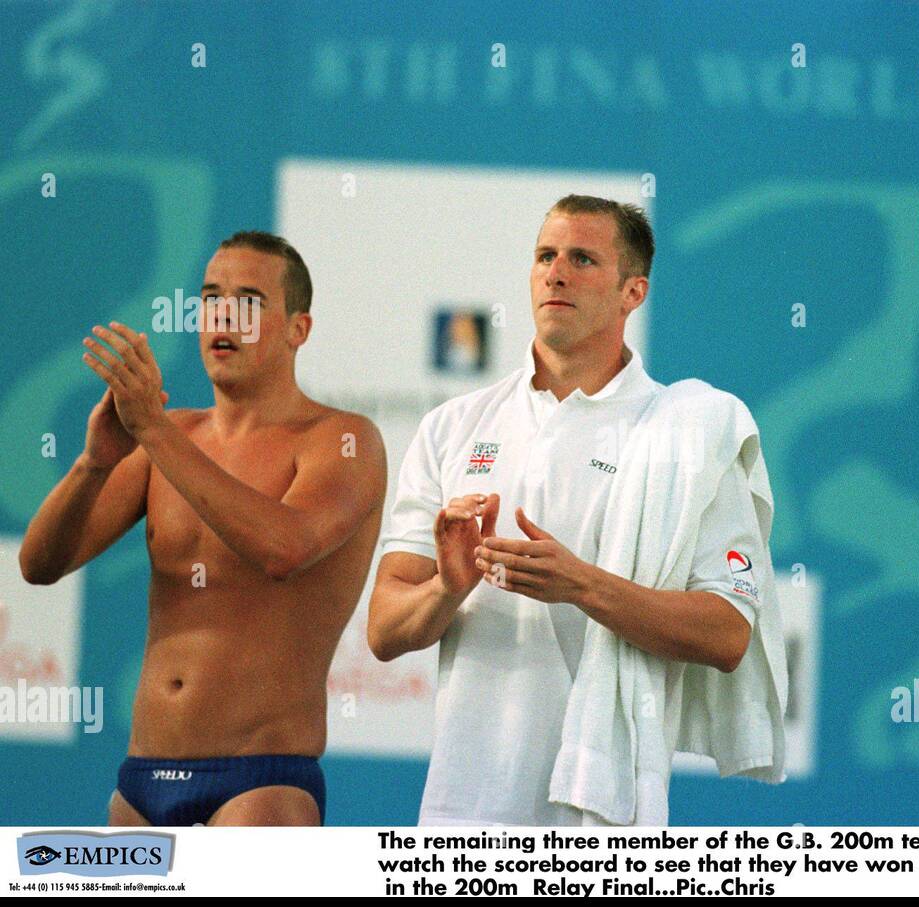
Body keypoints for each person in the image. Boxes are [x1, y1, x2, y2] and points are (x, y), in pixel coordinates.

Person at [368, 195, 785, 826]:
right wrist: (447, 589)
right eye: (545, 256)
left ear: (632, 291)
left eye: (582, 258)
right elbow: (383, 631)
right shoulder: (452, 427)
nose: (555, 273)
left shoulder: (688, 433)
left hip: (604, 816)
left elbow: (728, 634)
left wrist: (582, 586)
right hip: (463, 813)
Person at [19, 231, 387, 826]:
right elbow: (39, 566)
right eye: (212, 298)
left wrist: (152, 432)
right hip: (141, 780)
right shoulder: (172, 436)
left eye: (249, 301)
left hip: (260, 781)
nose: (225, 316)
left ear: (299, 328)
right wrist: (93, 464)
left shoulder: (342, 441)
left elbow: (284, 548)